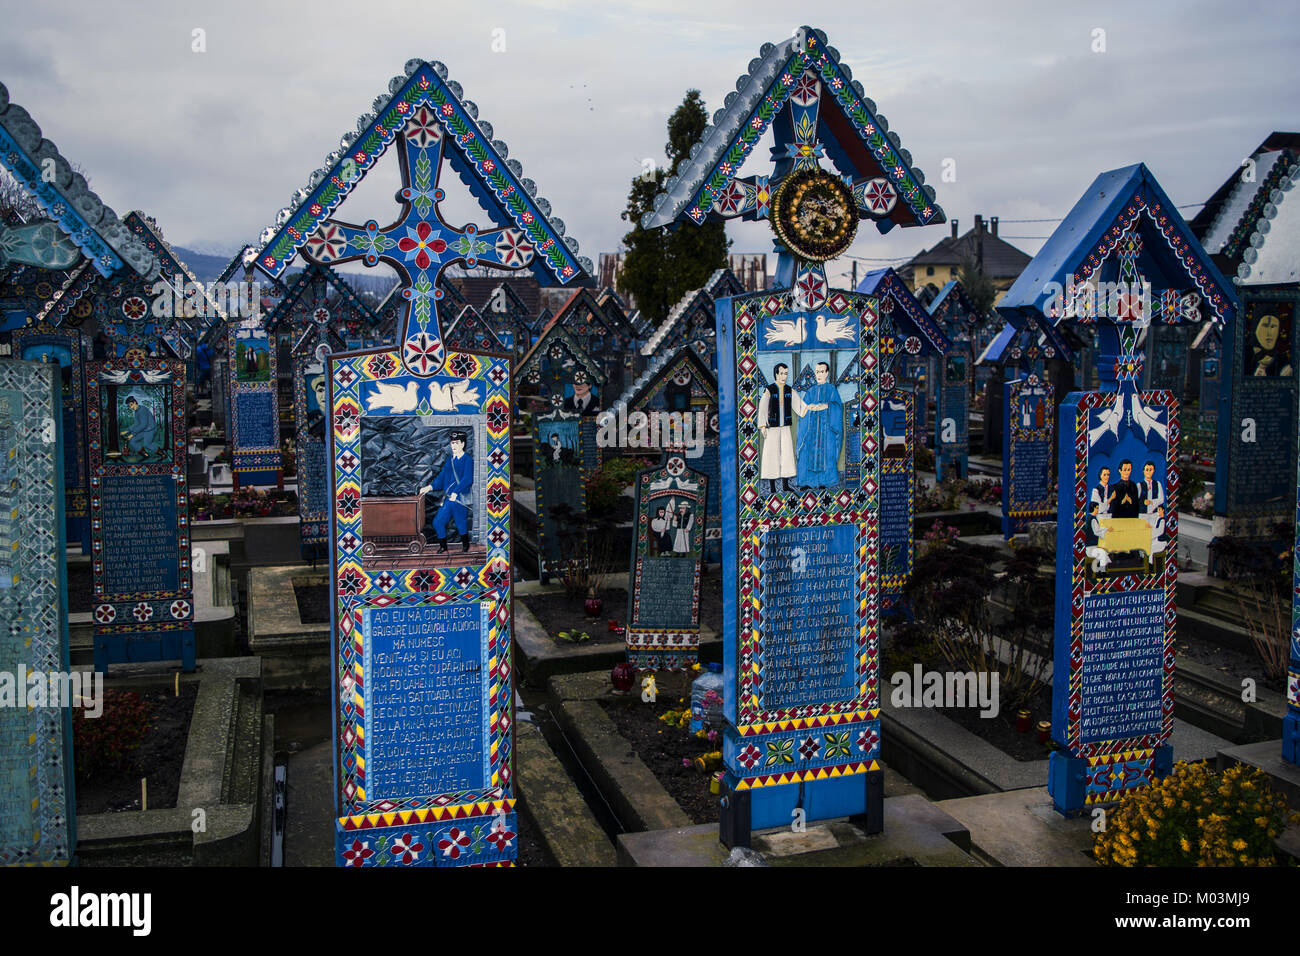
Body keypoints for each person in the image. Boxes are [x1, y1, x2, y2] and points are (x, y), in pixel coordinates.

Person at [419, 430, 474, 553]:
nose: (453, 446)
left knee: (460, 523)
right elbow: (442, 477)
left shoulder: (467, 460)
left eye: (456, 443)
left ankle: (466, 545)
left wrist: (456, 492)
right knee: (438, 522)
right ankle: (443, 546)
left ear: (463, 444)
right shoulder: (450, 460)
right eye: (452, 443)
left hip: (460, 498)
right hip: (449, 499)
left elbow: (467, 479)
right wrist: (430, 487)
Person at [795, 361, 842, 488]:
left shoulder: (832, 389)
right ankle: (807, 482)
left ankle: (825, 481)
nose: (819, 374)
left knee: (828, 451)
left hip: (827, 429)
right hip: (811, 429)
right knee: (807, 450)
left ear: (827, 373)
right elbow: (803, 410)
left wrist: (827, 406)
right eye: (817, 372)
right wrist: (810, 408)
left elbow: (837, 407)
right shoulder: (811, 391)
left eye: (822, 371)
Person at [758, 363, 801, 495]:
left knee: (787, 455)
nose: (784, 376)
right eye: (781, 373)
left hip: (785, 427)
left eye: (786, 373)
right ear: (776, 374)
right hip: (772, 427)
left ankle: (785, 484)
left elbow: (800, 406)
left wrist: (813, 409)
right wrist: (763, 425)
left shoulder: (789, 390)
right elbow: (763, 408)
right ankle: (772, 487)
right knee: (772, 455)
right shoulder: (769, 390)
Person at [1247, 312, 1292, 377]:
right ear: (1255, 328)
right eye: (1265, 325)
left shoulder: (1283, 363)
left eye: (1273, 326)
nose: (1269, 333)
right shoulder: (1244, 356)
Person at [120, 395, 161, 462]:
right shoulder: (136, 412)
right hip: (144, 430)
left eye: (131, 405)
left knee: (147, 444)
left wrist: (132, 434)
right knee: (133, 441)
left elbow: (143, 425)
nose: (131, 407)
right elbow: (136, 424)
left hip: (150, 429)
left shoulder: (142, 410)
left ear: (135, 402)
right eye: (129, 406)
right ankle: (145, 455)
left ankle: (162, 454)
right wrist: (127, 430)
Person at [1085, 501, 1111, 575]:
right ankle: (1101, 572)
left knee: (1104, 553)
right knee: (1103, 553)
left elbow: (1097, 529)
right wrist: (1106, 530)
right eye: (1096, 508)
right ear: (1093, 508)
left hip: (1091, 546)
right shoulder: (1092, 519)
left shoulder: (1090, 518)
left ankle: (1100, 570)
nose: (1098, 510)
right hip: (1091, 547)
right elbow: (1096, 531)